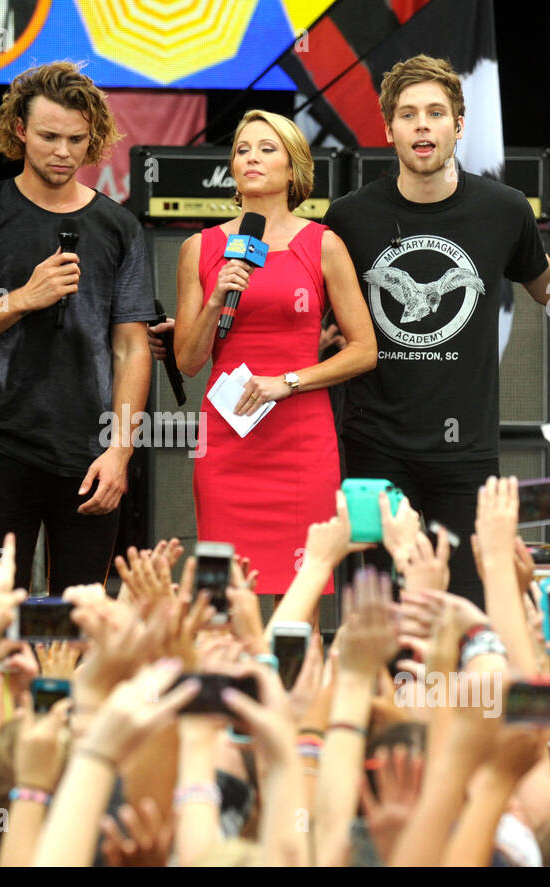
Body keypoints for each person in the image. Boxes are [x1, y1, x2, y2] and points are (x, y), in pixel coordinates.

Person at [323, 54, 550, 606]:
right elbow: (317, 318)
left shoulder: (503, 209)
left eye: (436, 112)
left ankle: (460, 696)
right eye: (408, 114)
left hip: (467, 451)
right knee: (377, 613)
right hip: (374, 449)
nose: (422, 125)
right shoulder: (348, 218)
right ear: (389, 129)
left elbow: (548, 286)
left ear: (458, 125)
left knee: (474, 610)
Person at [0, 61, 154, 593]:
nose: (63, 151)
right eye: (49, 136)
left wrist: (120, 451)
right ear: (20, 130)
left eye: (77, 139)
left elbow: (131, 350)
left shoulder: (118, 226)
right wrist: (22, 300)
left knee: (81, 615)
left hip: (89, 452)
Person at [173, 109, 377, 596]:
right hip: (228, 438)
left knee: (302, 591)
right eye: (243, 150)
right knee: (223, 592)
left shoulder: (322, 244)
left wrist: (286, 383)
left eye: (267, 149)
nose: (252, 159)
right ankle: (229, 675)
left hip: (301, 439)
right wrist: (217, 298)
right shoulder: (198, 248)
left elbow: (365, 350)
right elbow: (187, 360)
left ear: (294, 169)